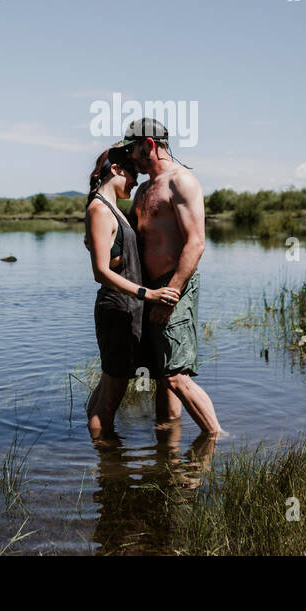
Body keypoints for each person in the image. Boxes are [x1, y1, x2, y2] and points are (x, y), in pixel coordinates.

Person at [115, 118, 222, 434]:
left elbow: (196, 242)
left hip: (173, 288)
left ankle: (216, 437)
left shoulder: (182, 182)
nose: (131, 157)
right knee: (162, 373)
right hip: (149, 291)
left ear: (149, 145)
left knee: (176, 374)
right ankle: (167, 450)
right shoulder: (146, 189)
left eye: (133, 149)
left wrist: (170, 295)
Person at [83, 146, 178, 440]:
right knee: (111, 399)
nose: (136, 180)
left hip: (127, 310)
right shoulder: (99, 209)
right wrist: (148, 294)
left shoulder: (114, 210)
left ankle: (99, 456)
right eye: (133, 173)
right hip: (116, 310)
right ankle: (105, 466)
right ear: (115, 170)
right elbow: (100, 272)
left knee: (107, 390)